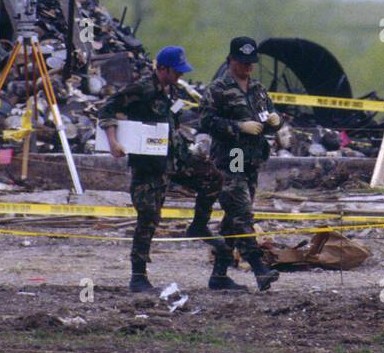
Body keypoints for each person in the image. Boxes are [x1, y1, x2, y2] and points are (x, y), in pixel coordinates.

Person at [98, 46, 224, 293]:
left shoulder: (173, 90)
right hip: (150, 164)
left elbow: (174, 118)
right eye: (176, 71)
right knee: (148, 216)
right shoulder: (142, 89)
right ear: (163, 69)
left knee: (213, 178)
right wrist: (114, 142)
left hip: (176, 157)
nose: (180, 76)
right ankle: (138, 275)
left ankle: (199, 224)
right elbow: (107, 109)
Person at [199, 37, 282, 292]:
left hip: (252, 158)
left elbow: (268, 113)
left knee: (232, 219)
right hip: (231, 156)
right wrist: (237, 126)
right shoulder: (218, 88)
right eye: (243, 62)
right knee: (242, 213)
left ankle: (219, 274)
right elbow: (204, 120)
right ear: (231, 60)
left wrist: (276, 121)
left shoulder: (257, 88)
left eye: (251, 63)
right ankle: (259, 269)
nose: (248, 67)